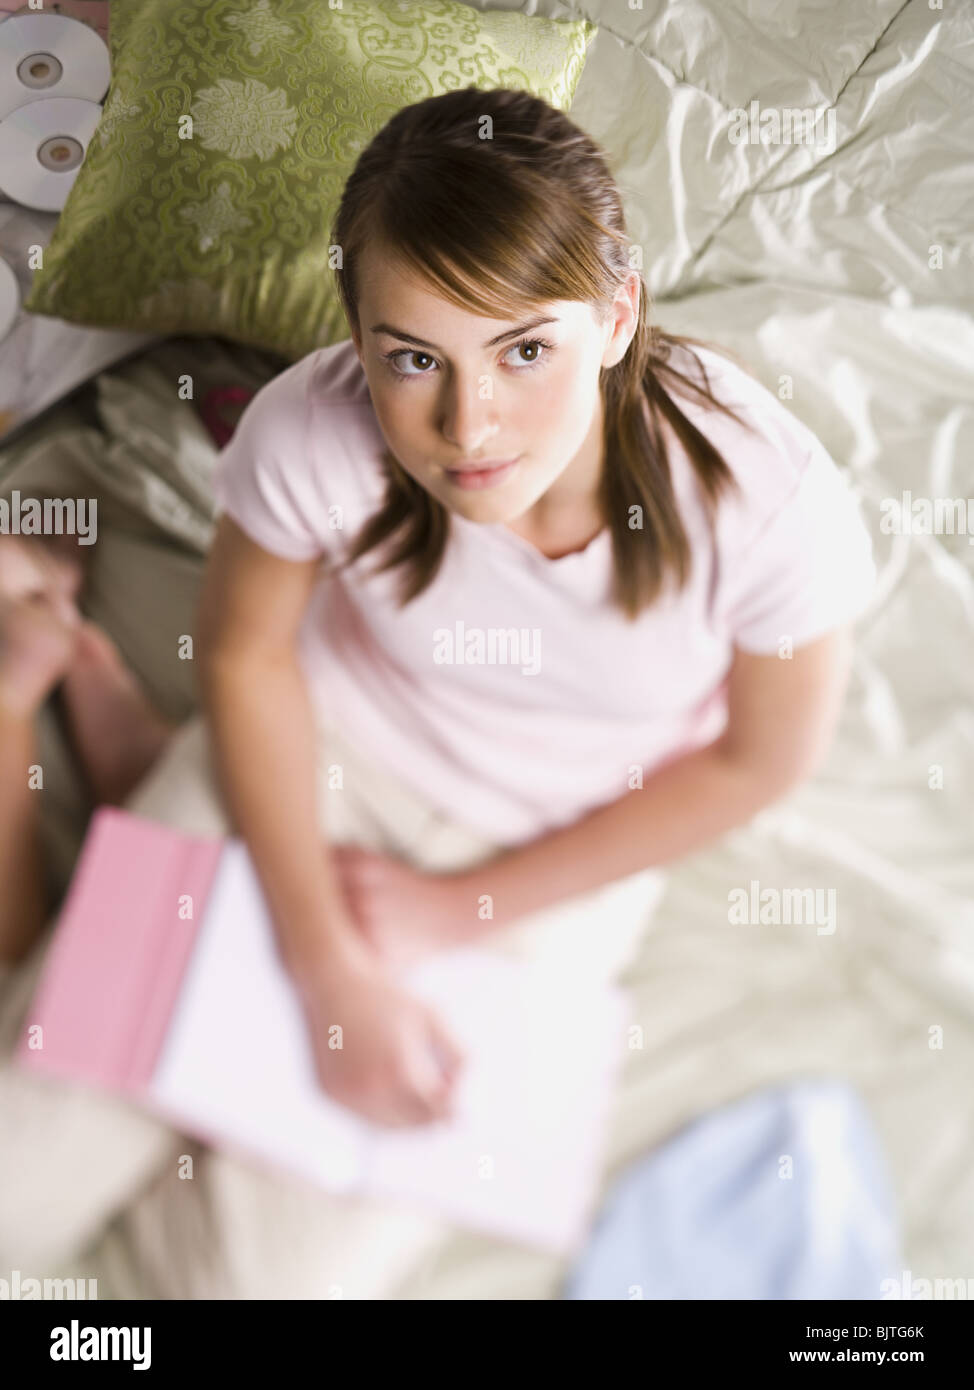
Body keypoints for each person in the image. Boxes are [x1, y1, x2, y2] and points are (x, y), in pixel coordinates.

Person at [0, 87, 877, 1290]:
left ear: (615, 315)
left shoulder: (761, 498)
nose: (471, 423)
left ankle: (148, 803)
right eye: (413, 358)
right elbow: (250, 657)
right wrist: (326, 963)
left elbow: (757, 764)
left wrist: (446, 912)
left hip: (550, 861)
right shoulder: (310, 433)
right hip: (317, 758)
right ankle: (166, 800)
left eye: (525, 349)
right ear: (356, 343)